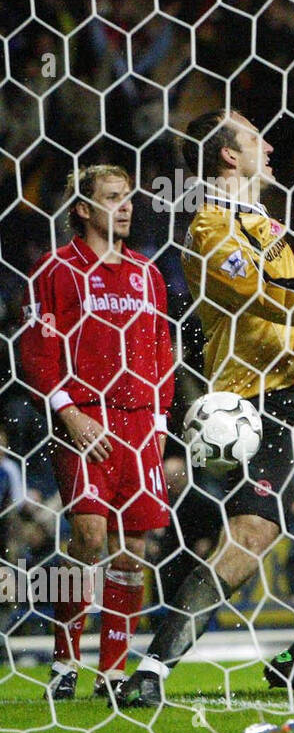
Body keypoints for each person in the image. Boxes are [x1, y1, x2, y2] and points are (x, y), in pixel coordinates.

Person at [116, 109, 294, 708]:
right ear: (228, 155)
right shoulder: (208, 229)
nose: (269, 145)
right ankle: (152, 667)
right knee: (250, 536)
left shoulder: (269, 226)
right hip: (260, 403)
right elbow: (267, 302)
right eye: (254, 137)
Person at [20, 165, 174, 699]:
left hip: (138, 427)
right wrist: (70, 414)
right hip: (85, 420)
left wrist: (159, 422)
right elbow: (37, 349)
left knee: (132, 549)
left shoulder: (147, 274)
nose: (127, 207)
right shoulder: (57, 270)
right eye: (113, 198)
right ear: (84, 209)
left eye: (129, 198)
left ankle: (111, 670)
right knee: (87, 540)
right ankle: (65, 662)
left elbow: (161, 353)